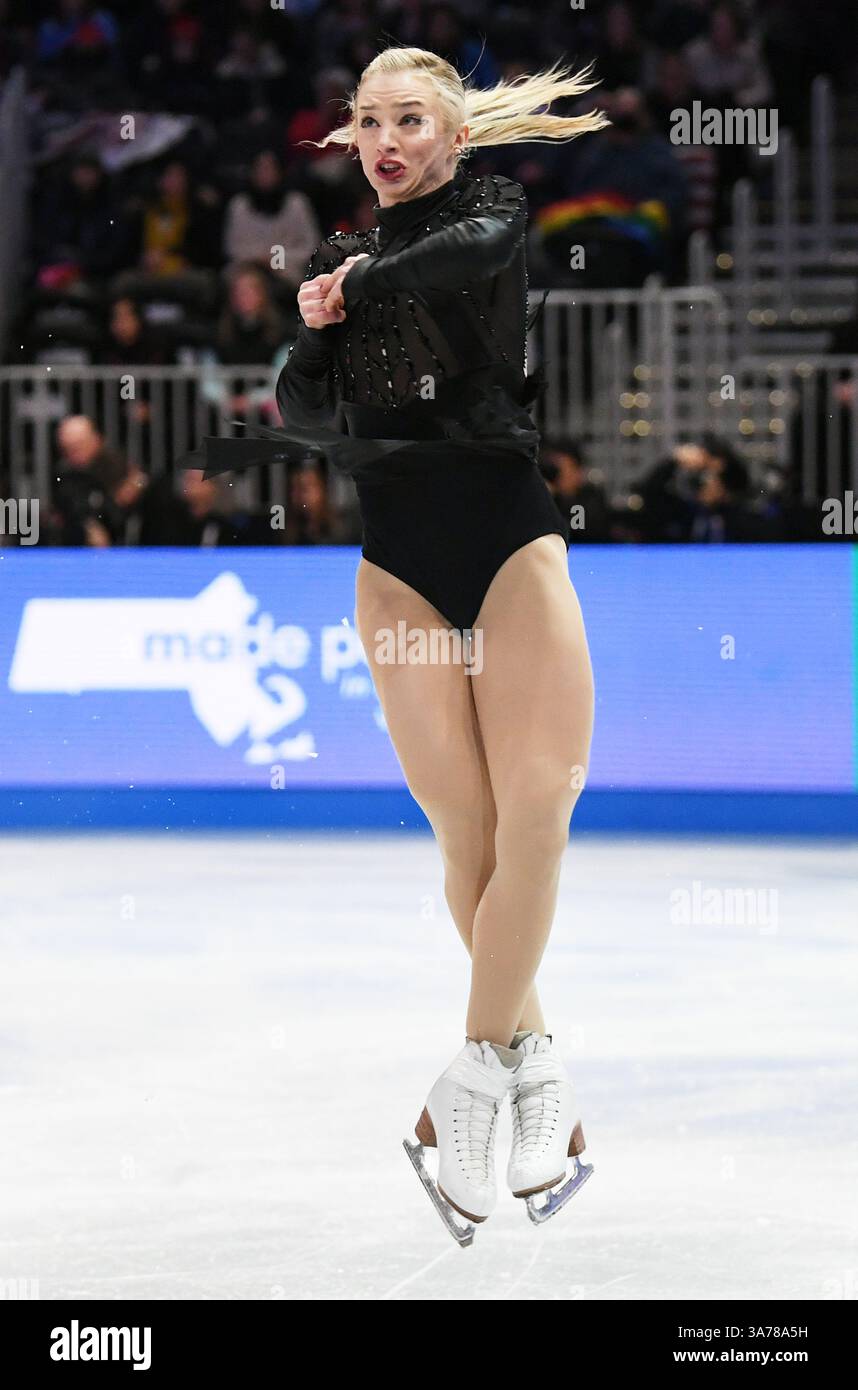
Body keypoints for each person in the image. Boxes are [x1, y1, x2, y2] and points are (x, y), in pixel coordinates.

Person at [186, 47, 606, 1241]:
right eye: (368, 120)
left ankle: (468, 1078)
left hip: (508, 542)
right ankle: (533, 1070)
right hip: (398, 571)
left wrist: (356, 282)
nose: (384, 139)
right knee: (467, 835)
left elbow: (455, 259)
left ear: (453, 137)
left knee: (538, 808)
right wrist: (315, 329)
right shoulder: (340, 261)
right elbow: (304, 414)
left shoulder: (490, 211)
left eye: (409, 119)